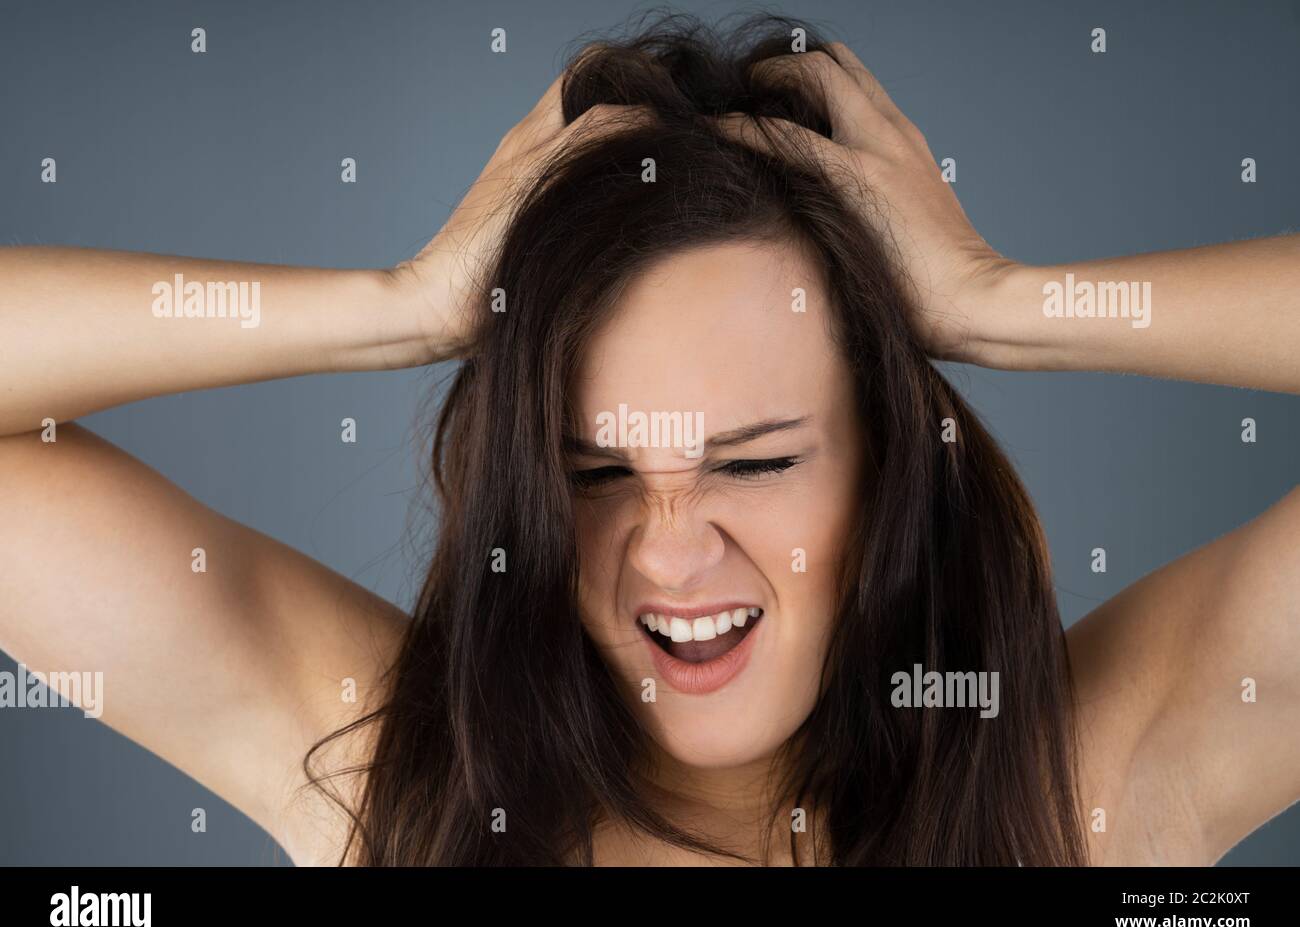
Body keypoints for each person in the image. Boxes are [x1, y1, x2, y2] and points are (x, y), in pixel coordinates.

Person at [1, 15, 1297, 866]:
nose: (670, 550)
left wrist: (998, 304)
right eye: (598, 472)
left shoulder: (1081, 794)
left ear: (889, 465)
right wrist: (402, 306)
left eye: (753, 459)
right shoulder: (401, 792)